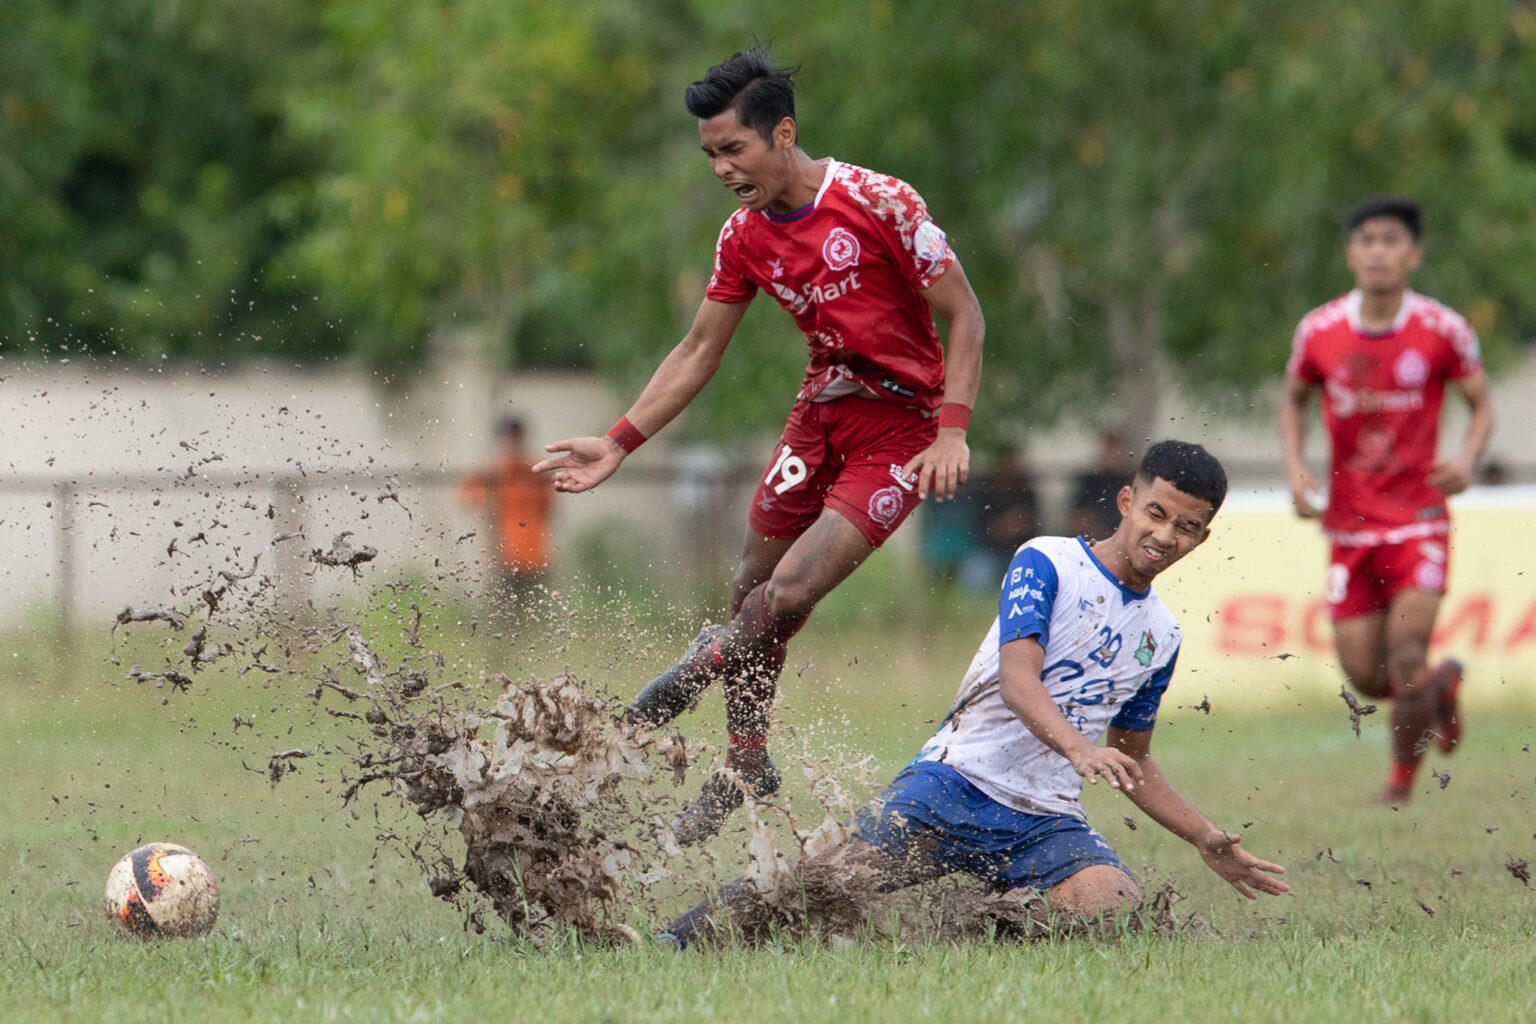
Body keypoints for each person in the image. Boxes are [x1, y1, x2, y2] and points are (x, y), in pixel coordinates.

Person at [534, 48, 985, 843]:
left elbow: (967, 314)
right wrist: (619, 442)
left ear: (783, 134)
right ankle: (747, 758)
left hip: (903, 432)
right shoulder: (742, 237)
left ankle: (697, 669)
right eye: (709, 154)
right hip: (819, 416)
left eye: (732, 149)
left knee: (788, 594)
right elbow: (697, 351)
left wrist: (953, 430)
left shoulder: (880, 200)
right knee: (751, 584)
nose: (719, 168)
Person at [659, 441, 1289, 947]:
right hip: (949, 787)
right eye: (1156, 513)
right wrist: (1077, 747)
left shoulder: (1164, 635)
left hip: (1043, 819)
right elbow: (1019, 682)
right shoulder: (1048, 560)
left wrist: (1204, 835)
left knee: (1113, 911)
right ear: (1126, 502)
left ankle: (988, 926)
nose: (1166, 535)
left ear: (1202, 539)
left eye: (1186, 527)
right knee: (809, 891)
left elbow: (1136, 757)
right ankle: (668, 943)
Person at [1279, 195, 1494, 805]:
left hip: (1419, 518)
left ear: (1413, 255)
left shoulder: (1444, 330)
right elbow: (1292, 400)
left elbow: (1481, 404)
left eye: (1391, 241)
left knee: (1405, 650)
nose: (1378, 251)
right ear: (1351, 254)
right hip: (1348, 525)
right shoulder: (1319, 331)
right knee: (1370, 679)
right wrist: (1296, 472)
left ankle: (1399, 785)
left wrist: (1466, 460)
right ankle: (1443, 686)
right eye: (1367, 240)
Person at [457, 416, 556, 624]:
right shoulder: (494, 471)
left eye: (517, 438)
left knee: (536, 617)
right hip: (503, 555)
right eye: (510, 438)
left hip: (535, 554)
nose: (514, 443)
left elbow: (550, 506)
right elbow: (467, 497)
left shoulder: (536, 470)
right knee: (506, 619)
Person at [1069, 430, 1135, 542]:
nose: (1113, 456)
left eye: (1117, 450)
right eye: (1110, 450)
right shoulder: (1091, 482)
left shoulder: (1129, 481)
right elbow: (1079, 518)